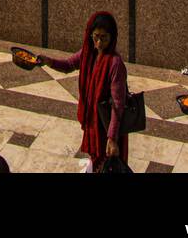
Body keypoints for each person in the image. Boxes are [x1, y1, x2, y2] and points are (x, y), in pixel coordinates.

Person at [42, 11, 128, 171]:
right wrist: (49, 61)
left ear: (112, 37)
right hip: (93, 123)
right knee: (96, 162)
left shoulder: (115, 64)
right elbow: (69, 64)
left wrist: (112, 138)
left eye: (104, 37)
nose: (99, 42)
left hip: (107, 127)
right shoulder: (89, 54)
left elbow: (118, 105)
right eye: (96, 36)